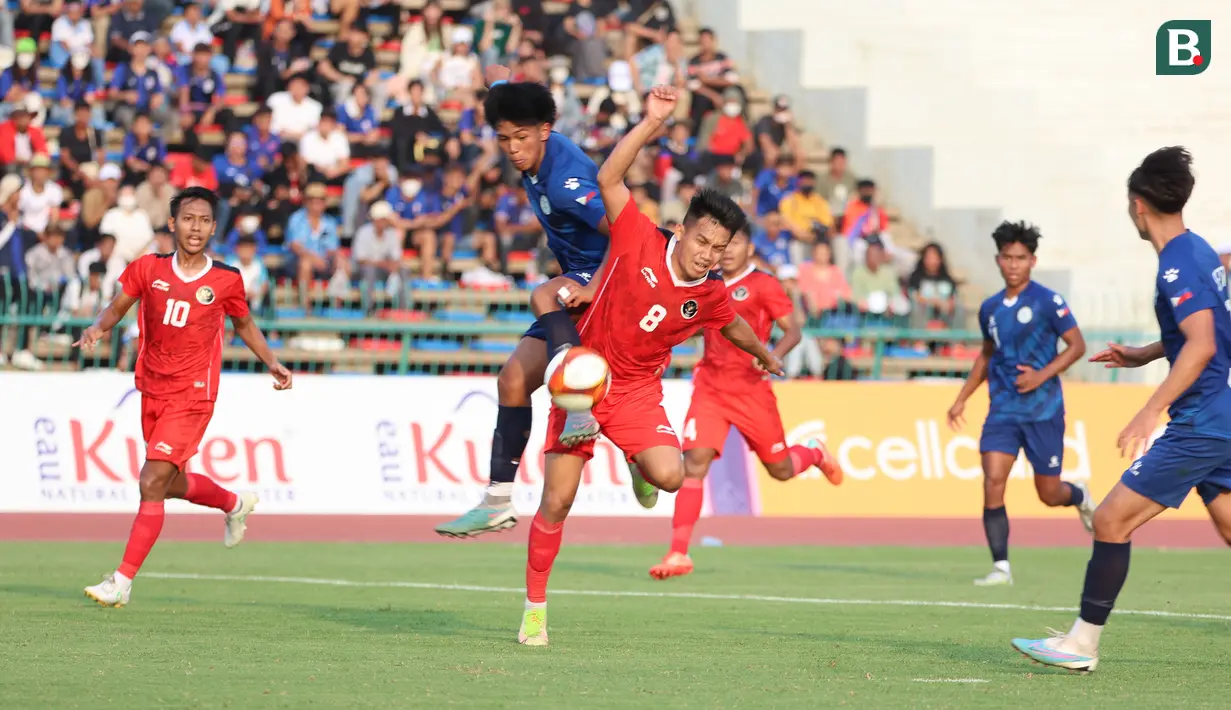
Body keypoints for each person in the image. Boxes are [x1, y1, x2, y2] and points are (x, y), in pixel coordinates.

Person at [517, 85, 784, 647]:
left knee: (669, 476)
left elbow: (732, 324)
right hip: (583, 382)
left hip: (636, 393)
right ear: (683, 229)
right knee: (557, 502)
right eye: (703, 241)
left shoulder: (710, 292)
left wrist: (763, 352)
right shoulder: (638, 236)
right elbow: (609, 180)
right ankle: (535, 610)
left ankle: (639, 464)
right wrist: (651, 122)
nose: (709, 255)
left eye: (720, 249)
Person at [1012, 147, 1231, 672]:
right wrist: (1147, 353)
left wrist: (1150, 411)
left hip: (1201, 422)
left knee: (1109, 520)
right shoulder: (1199, 250)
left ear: (1137, 207)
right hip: (1219, 415)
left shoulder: (1177, 264)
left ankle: (1080, 645)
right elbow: (1209, 334)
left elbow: (1201, 344)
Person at [75, 187, 292, 608]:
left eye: (205, 220)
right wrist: (97, 328)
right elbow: (117, 307)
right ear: (172, 224)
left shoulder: (225, 279)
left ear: (213, 227)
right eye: (188, 219)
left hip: (193, 394)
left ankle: (122, 581)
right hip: (152, 388)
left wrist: (271, 361)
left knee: (151, 481)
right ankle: (234, 502)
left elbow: (244, 325)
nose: (196, 227)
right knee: (169, 482)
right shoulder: (147, 268)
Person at [434, 71, 613, 539]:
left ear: (545, 132)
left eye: (521, 137)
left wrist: (593, 284)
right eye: (504, 138)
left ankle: (584, 411)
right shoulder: (537, 156)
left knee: (541, 293)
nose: (512, 148)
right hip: (580, 281)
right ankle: (496, 502)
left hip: (609, 281)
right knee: (512, 380)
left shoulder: (564, 180)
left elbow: (627, 233)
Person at [649, 223, 844, 580]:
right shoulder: (707, 283)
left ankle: (814, 451)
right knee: (694, 462)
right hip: (710, 386)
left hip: (752, 390)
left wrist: (772, 354)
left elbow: (793, 330)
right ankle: (678, 553)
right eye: (725, 244)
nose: (728, 250)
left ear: (750, 247)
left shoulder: (764, 285)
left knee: (781, 469)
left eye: (735, 243)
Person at [946, 220, 1093, 587]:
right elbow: (986, 354)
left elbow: (1077, 346)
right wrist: (962, 398)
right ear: (998, 260)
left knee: (1049, 493)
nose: (1014, 264)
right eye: (1008, 257)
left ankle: (1078, 494)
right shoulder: (990, 308)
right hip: (1003, 411)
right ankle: (1001, 568)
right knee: (993, 480)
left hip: (1043, 409)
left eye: (1021, 258)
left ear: (1033, 260)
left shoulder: (1048, 301)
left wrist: (1041, 375)